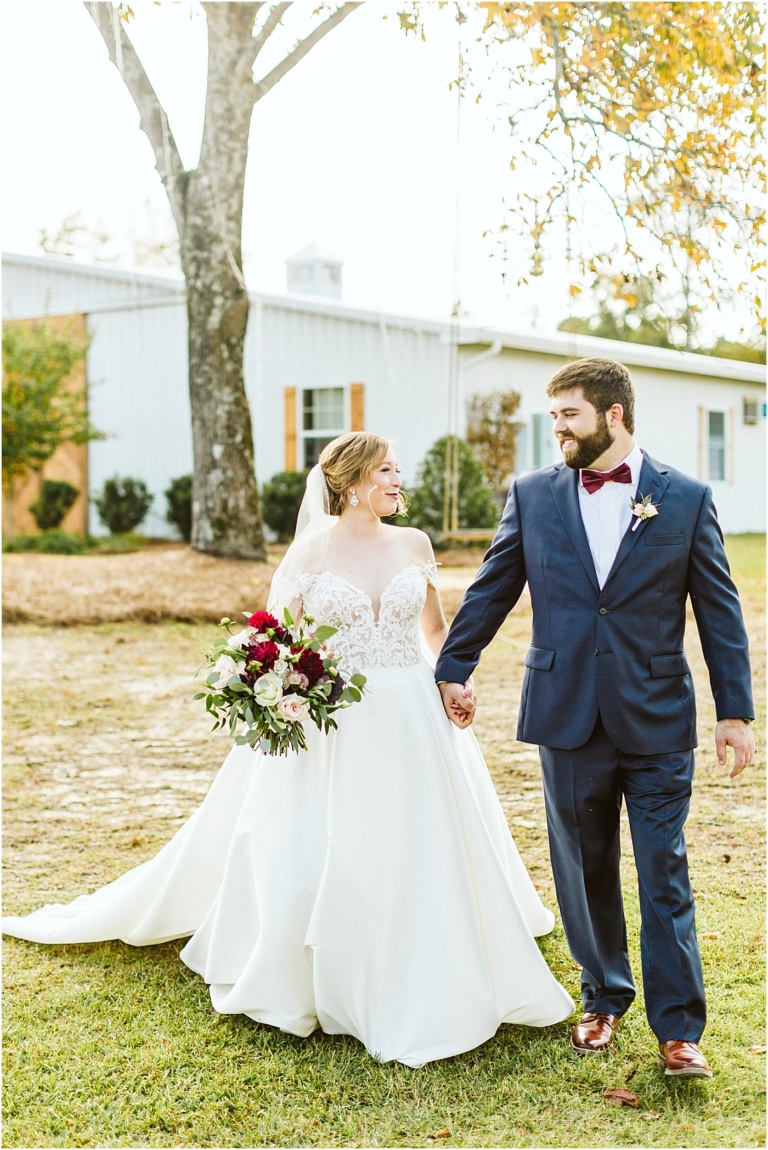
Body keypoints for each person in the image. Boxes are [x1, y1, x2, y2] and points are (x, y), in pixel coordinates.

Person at [2, 431, 573, 1068]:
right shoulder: (311, 553)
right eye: (386, 470)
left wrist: (453, 681)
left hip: (413, 712)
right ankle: (319, 963)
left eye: (395, 470)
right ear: (352, 482)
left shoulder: (415, 544)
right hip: (339, 721)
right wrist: (279, 688)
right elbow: (279, 640)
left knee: (418, 833)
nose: (396, 480)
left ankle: (425, 949)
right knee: (333, 838)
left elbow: (434, 629)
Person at [435, 357, 755, 1078]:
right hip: (565, 711)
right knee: (584, 868)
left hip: (657, 717)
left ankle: (678, 1031)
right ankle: (603, 996)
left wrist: (734, 712)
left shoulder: (687, 499)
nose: (558, 430)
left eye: (569, 415)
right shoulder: (534, 496)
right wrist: (455, 666)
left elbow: (720, 614)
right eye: (553, 417)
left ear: (614, 415)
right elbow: (492, 588)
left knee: (663, 869)